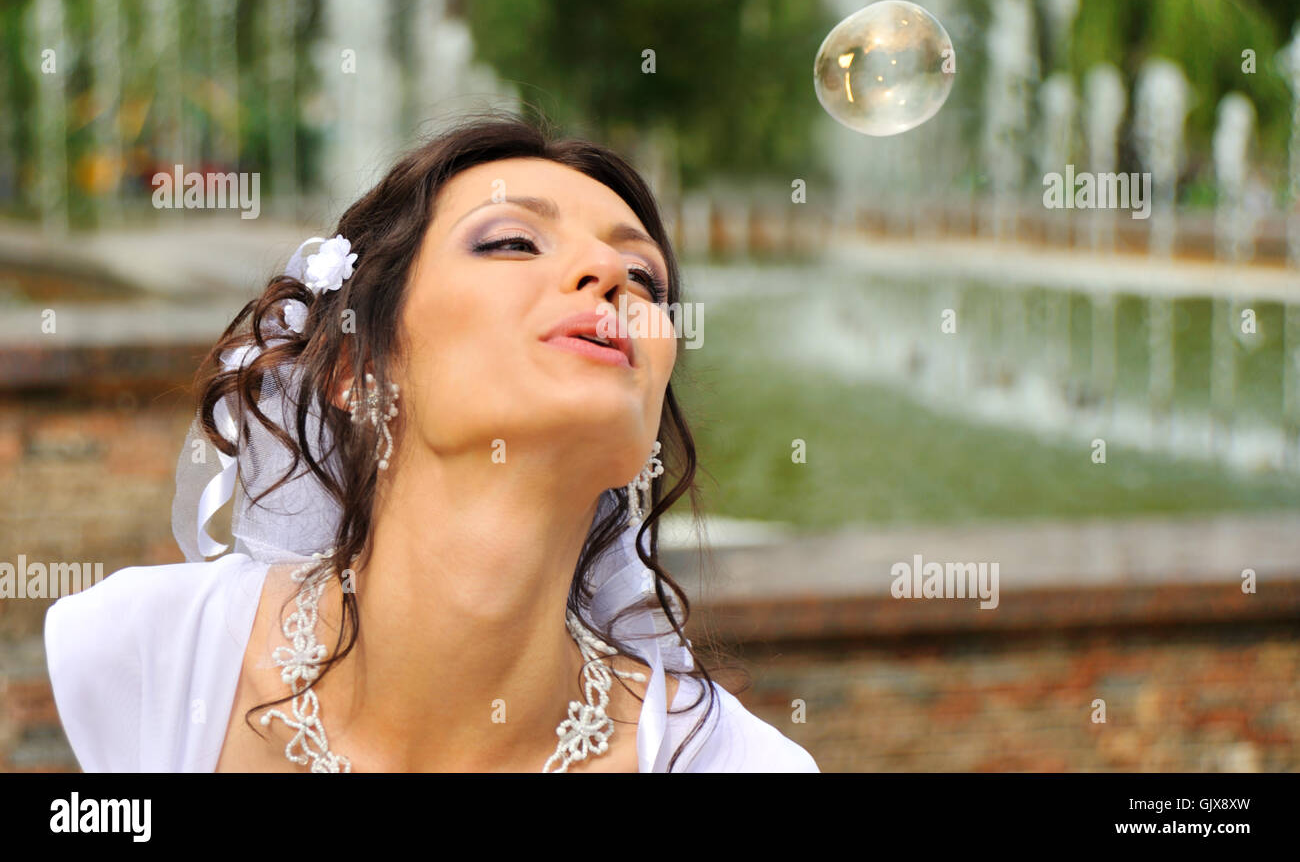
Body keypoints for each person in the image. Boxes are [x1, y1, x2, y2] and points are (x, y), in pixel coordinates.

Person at [44, 112, 820, 773]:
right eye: (514, 241)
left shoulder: (731, 764)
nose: (608, 272)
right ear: (356, 364)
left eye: (644, 278)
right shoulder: (139, 658)